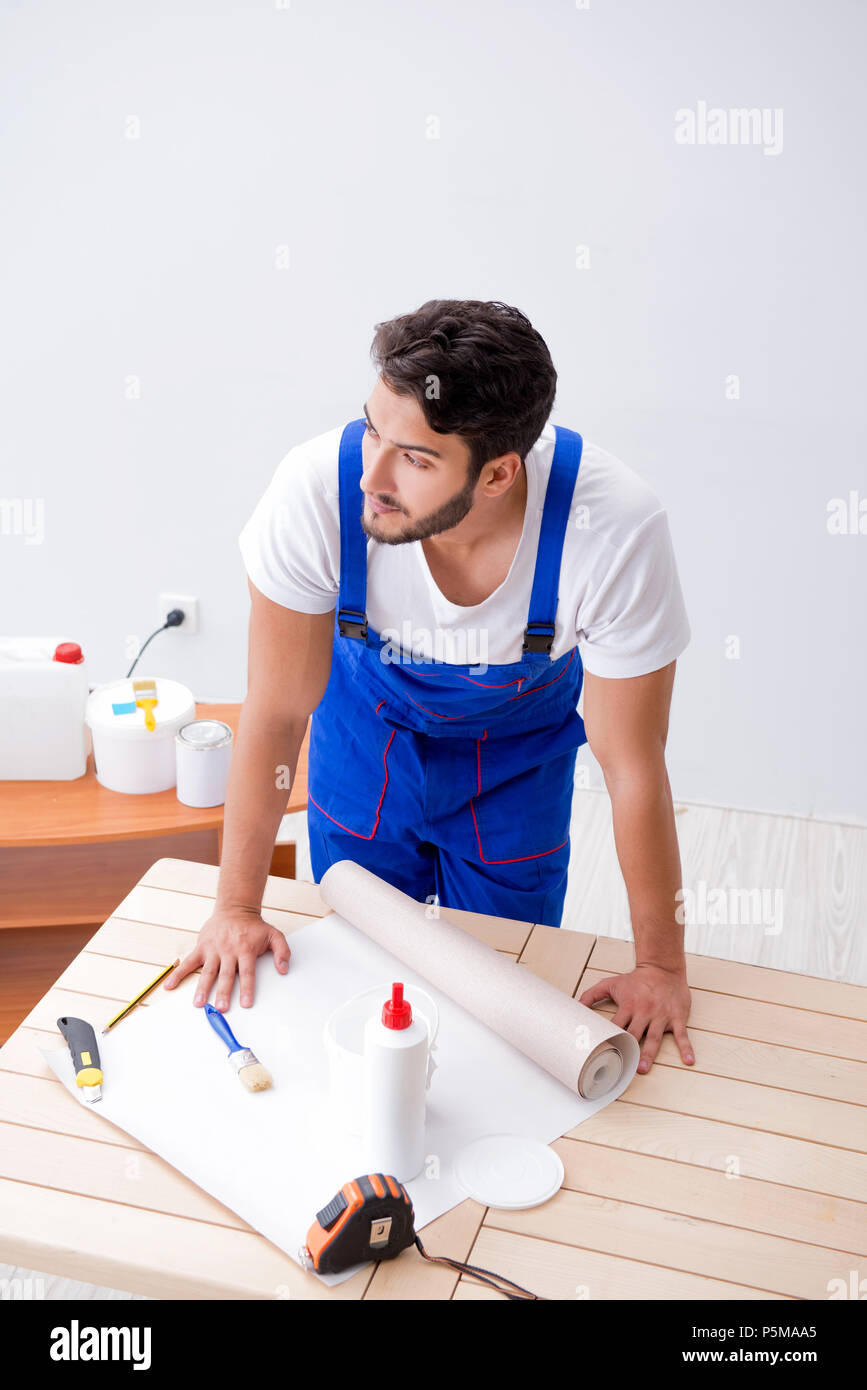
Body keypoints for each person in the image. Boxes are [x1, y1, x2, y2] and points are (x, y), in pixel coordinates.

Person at [165, 299, 694, 1075]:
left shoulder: (611, 533)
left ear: (498, 472)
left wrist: (660, 967)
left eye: (413, 457)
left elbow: (633, 764)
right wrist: (236, 909)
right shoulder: (315, 492)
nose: (371, 476)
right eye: (372, 429)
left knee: (502, 989)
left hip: (515, 760)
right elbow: (276, 716)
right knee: (361, 961)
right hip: (363, 740)